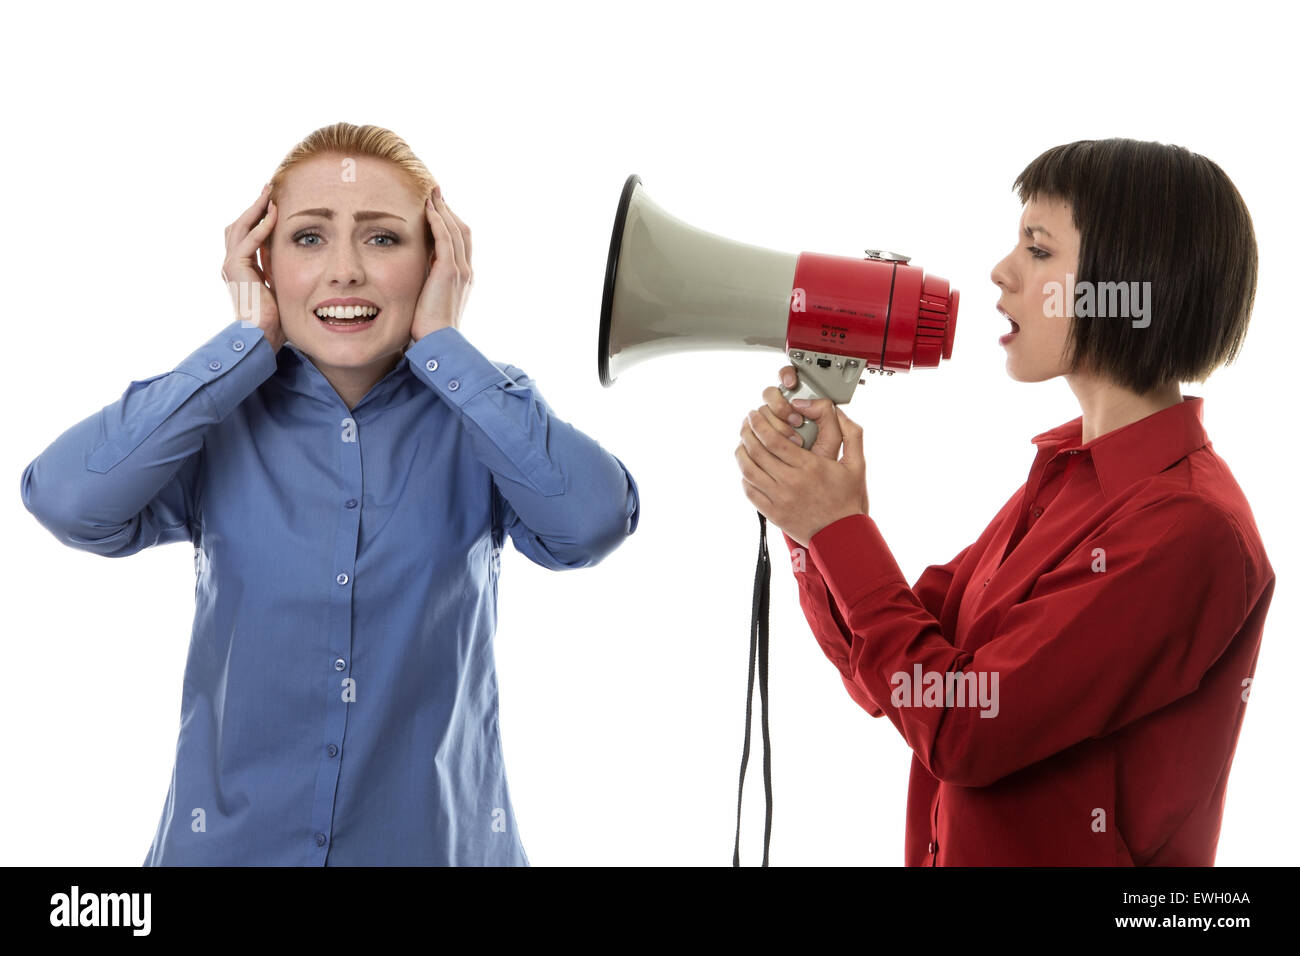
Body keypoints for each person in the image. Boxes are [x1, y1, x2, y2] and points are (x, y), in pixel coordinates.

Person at [19, 122, 640, 866]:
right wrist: (247, 342)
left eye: (382, 240)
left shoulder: (485, 415)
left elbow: (595, 520)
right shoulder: (216, 417)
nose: (344, 270)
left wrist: (444, 345)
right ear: (263, 262)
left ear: (439, 259)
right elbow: (65, 498)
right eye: (309, 239)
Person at [735, 137, 1274, 865]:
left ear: (1127, 283)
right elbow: (899, 676)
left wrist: (839, 529)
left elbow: (961, 727)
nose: (1001, 271)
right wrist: (813, 527)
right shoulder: (1068, 476)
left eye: (1039, 249)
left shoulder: (1186, 528)